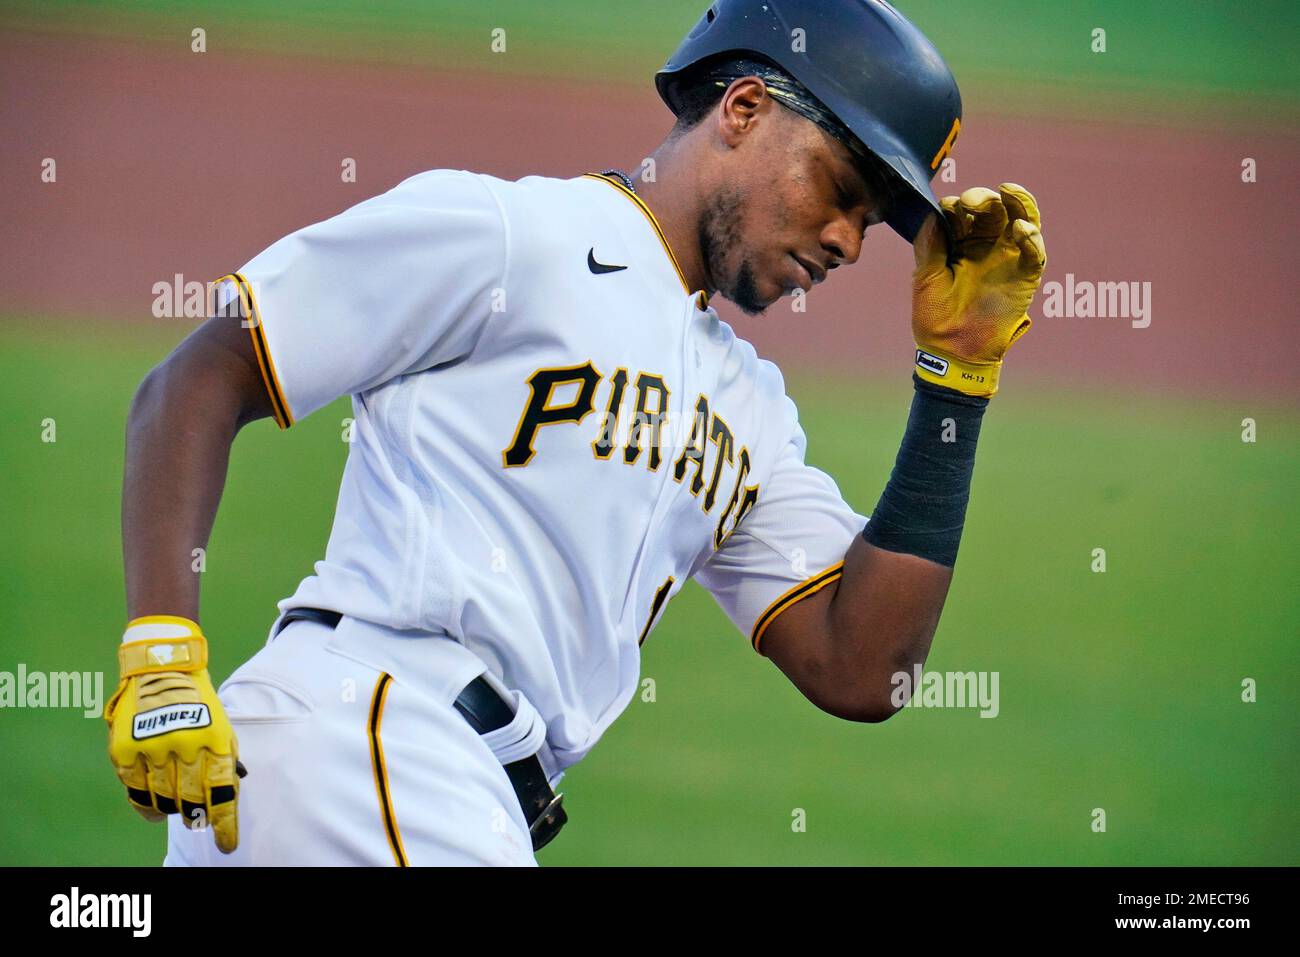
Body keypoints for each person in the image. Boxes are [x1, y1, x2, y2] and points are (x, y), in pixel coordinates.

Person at [107, 0, 1046, 865]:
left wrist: (956, 381)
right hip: (374, 740)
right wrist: (162, 647)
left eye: (872, 221)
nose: (847, 238)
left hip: (403, 788)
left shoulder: (752, 411)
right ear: (747, 108)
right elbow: (201, 374)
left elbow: (861, 666)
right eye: (841, 185)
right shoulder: (514, 234)